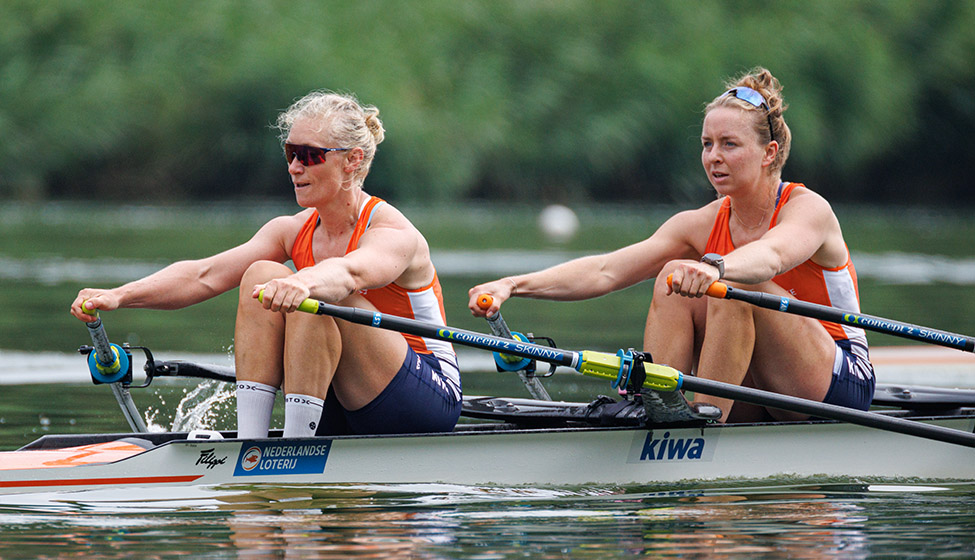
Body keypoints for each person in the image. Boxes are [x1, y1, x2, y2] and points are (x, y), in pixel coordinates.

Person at [468, 67, 874, 423]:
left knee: (738, 288)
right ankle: (662, 409)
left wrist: (717, 268)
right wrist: (513, 285)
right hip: (759, 382)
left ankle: (701, 429)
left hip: (836, 379)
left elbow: (771, 256)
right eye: (707, 144)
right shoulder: (698, 224)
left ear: (769, 154)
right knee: (671, 277)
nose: (713, 157)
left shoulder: (809, 210)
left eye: (729, 145)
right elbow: (606, 270)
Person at [71, 91, 462, 438]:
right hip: (341, 397)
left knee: (321, 296)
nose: (294, 168)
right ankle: (253, 445)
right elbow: (204, 275)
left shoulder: (393, 231)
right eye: (291, 153)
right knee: (261, 274)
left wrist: (305, 282)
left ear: (351, 161)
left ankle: (290, 454)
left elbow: (350, 273)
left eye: (309, 156)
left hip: (425, 396)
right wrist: (120, 295)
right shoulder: (290, 231)